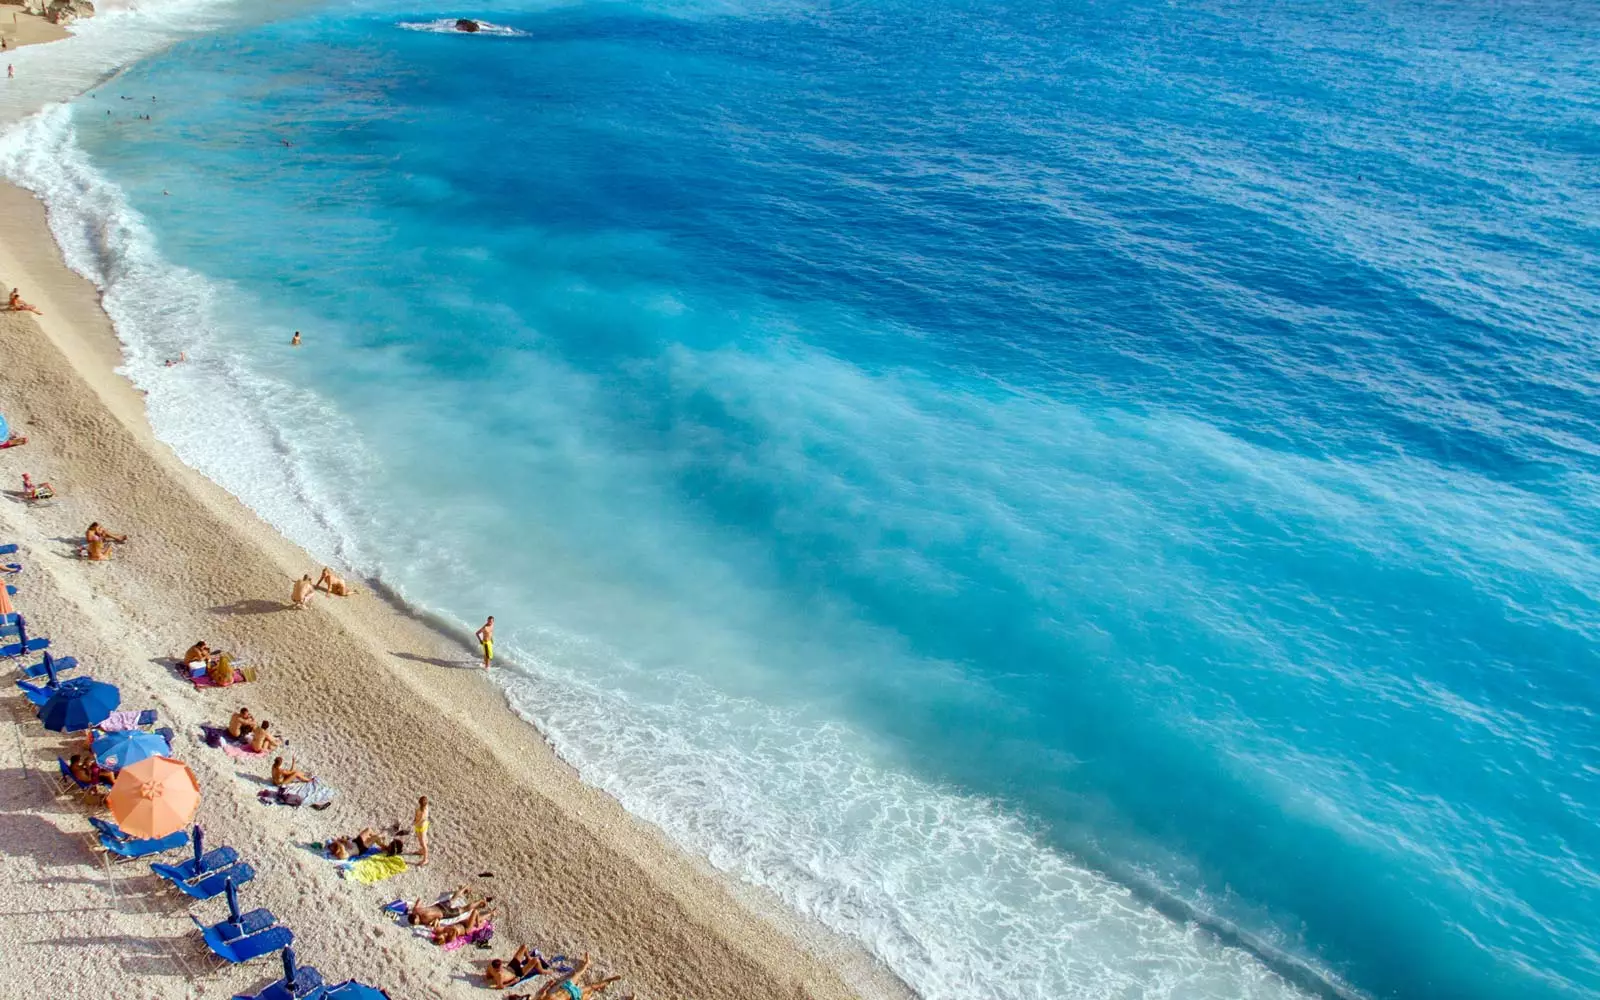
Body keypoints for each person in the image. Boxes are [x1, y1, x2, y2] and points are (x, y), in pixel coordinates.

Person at [529, 954, 620, 1000]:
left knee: (577, 973)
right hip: (573, 994)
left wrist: (549, 985)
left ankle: (587, 963)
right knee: (592, 987)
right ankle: (610, 980)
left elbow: (543, 992)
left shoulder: (543, 999)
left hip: (566, 987)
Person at [484, 946, 552, 989]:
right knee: (536, 960)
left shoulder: (490, 966)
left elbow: (487, 976)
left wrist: (492, 976)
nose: (502, 967)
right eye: (500, 967)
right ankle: (542, 971)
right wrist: (513, 981)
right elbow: (500, 987)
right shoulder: (499, 975)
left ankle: (528, 958)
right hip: (518, 973)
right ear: (497, 969)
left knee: (524, 947)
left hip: (511, 966)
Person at [414, 795, 430, 867]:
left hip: (421, 827)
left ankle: (425, 859)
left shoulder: (423, 811)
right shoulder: (424, 808)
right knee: (420, 840)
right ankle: (421, 851)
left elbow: (420, 819)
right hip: (420, 826)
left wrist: (414, 823)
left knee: (423, 842)